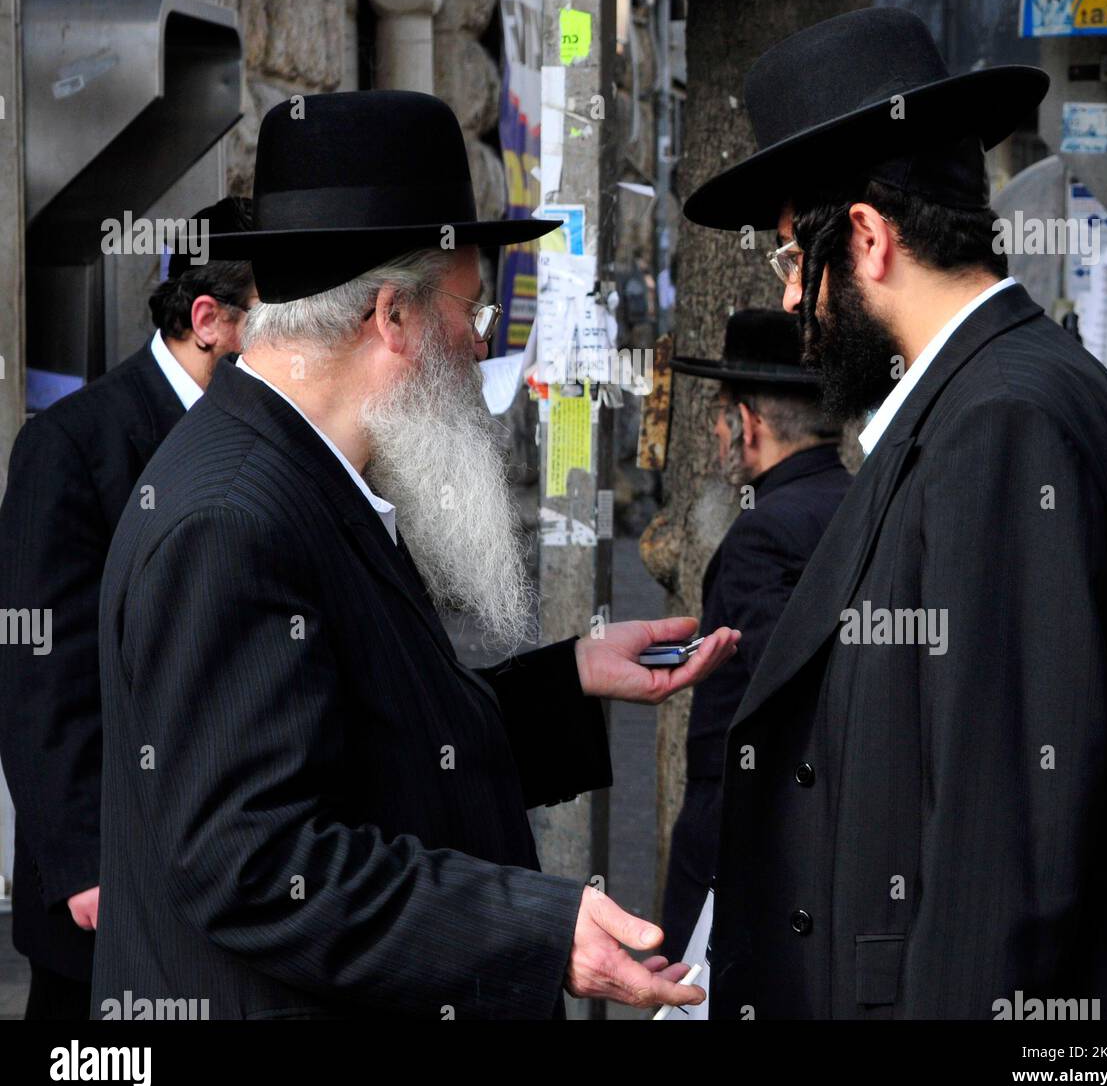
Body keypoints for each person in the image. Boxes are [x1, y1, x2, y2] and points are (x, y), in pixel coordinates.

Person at [92, 90, 739, 1020]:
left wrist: (568, 680)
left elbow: (379, 748)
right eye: (470, 306)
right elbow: (259, 864)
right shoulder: (231, 521)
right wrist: (535, 928)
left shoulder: (302, 472)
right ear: (391, 315)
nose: (480, 342)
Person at [682, 7, 1107, 1019]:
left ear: (865, 240)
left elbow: (1000, 864)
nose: (790, 303)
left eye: (792, 261)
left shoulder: (1002, 421)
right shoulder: (984, 396)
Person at [0, 199, 255, 1020]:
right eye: (279, 318)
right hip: (106, 895)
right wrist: (82, 862)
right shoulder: (75, 443)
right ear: (208, 320)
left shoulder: (266, 433)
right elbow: (38, 668)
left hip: (229, 879)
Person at [661, 309, 849, 951]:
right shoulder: (858, 503)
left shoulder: (763, 536)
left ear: (747, 424)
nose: (716, 431)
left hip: (741, 846)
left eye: (720, 414)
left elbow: (792, 695)